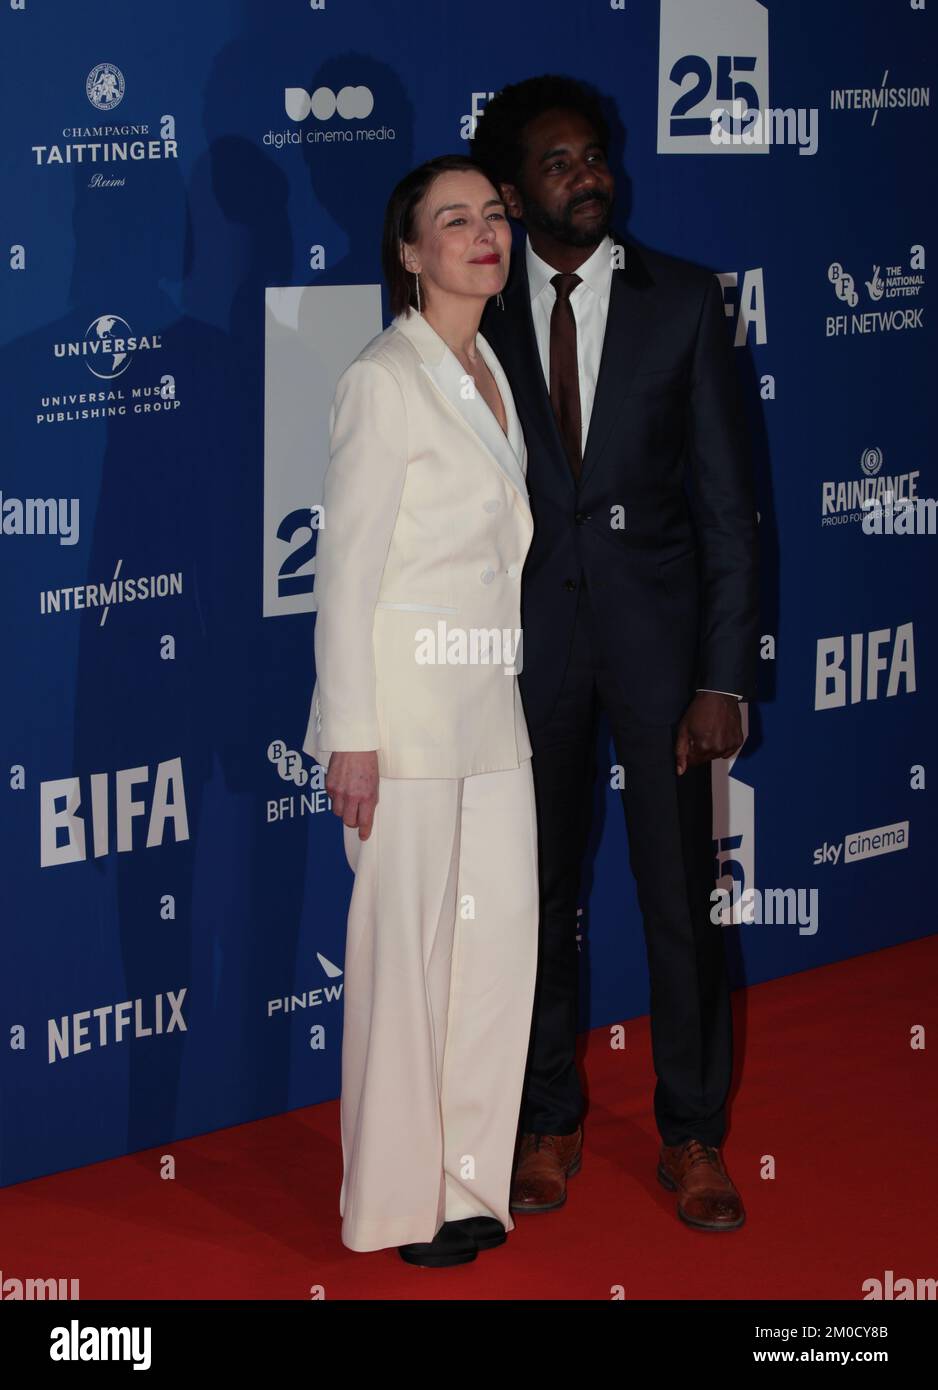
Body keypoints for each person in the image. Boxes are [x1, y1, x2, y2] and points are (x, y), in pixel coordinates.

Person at [471, 75, 760, 1231]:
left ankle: (691, 1137)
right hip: (519, 661)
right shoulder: (472, 312)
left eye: (595, 156)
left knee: (678, 903)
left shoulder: (683, 301)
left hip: (658, 657)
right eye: (557, 162)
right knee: (533, 899)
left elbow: (727, 506)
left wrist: (720, 674)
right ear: (509, 188)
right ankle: (548, 1120)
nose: (587, 176)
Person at [302, 155, 539, 1266]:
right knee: (403, 966)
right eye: (453, 220)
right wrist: (350, 733)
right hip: (400, 723)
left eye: (493, 214)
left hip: (491, 710)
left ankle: (466, 1186)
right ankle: (395, 1203)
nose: (482, 234)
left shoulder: (489, 363)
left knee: (492, 962)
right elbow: (343, 572)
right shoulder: (382, 376)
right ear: (407, 251)